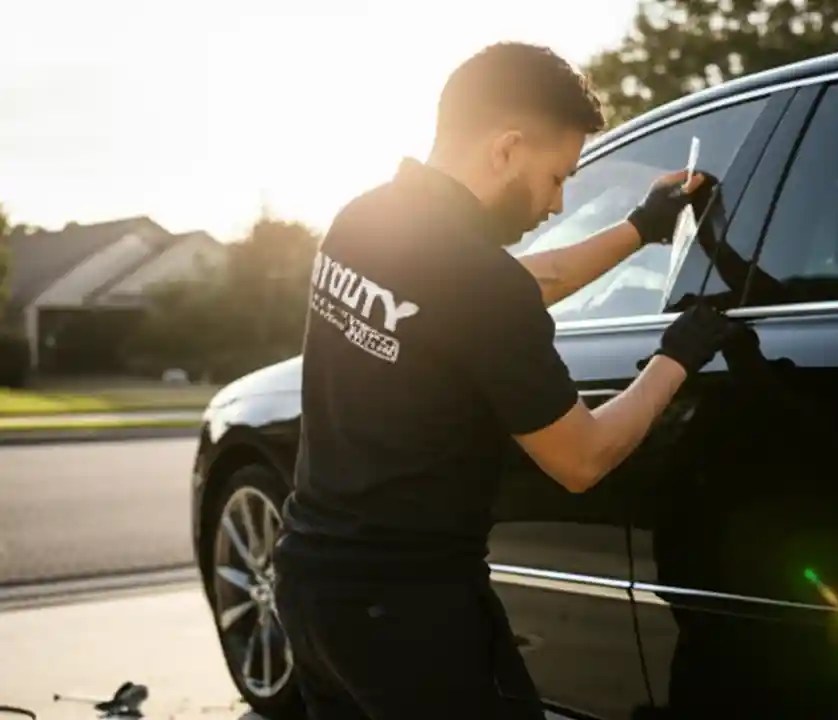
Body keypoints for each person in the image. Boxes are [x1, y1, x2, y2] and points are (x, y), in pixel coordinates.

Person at [271, 42, 739, 719]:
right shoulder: (475, 279)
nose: (556, 202)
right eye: (557, 177)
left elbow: (522, 285)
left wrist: (639, 228)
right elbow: (583, 458)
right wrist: (677, 357)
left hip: (313, 588)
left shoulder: (365, 219)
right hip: (411, 614)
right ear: (506, 148)